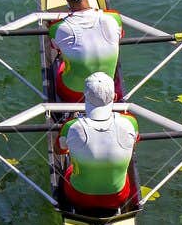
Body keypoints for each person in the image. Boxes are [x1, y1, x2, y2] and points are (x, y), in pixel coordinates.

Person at [59, 72, 138, 211]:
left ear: (85, 97)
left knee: (72, 163)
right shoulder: (131, 121)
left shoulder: (70, 126)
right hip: (118, 197)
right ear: (114, 96)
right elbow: (134, 143)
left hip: (77, 196)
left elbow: (60, 150)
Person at [50, 0, 123, 102]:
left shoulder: (57, 28)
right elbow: (120, 36)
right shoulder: (114, 18)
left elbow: (55, 48)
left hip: (74, 94)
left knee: (60, 61)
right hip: (109, 89)